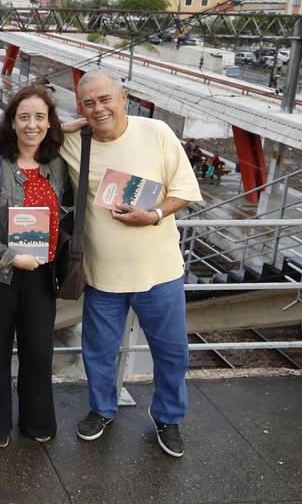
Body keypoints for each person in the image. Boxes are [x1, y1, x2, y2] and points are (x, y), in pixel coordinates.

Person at [61, 69, 201, 458]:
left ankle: (169, 418)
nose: (99, 108)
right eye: (88, 103)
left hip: (160, 273)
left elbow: (185, 191)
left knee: (172, 352)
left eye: (105, 99)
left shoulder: (156, 132)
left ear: (124, 98)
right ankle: (101, 410)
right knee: (98, 351)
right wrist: (68, 124)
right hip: (103, 276)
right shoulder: (74, 141)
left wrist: (153, 214)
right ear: (79, 107)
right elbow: (27, 130)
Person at [0, 84, 71, 448]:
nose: (32, 125)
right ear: (11, 123)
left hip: (41, 276)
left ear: (49, 122)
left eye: (40, 117)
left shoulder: (56, 165)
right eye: (24, 117)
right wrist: (10, 256)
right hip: (0, 276)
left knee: (39, 351)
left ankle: (37, 419)